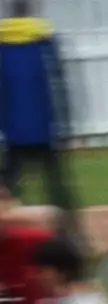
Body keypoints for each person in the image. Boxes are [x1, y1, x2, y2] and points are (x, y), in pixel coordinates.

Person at [0, 12, 69, 211]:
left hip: (14, 132)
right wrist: (65, 125)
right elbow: (57, 85)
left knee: (9, 185)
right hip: (43, 129)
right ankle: (68, 227)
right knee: (56, 187)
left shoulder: (3, 46)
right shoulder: (45, 43)